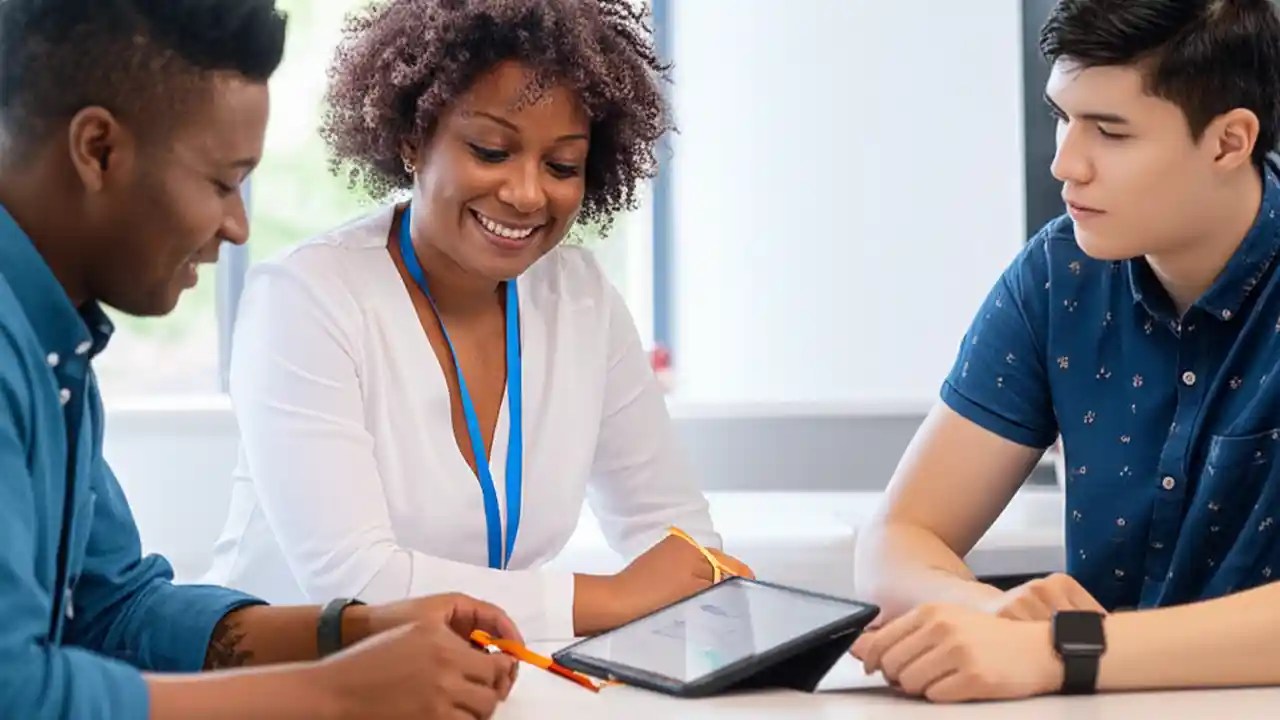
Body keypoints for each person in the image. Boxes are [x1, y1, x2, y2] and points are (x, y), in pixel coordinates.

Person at [0, 2, 522, 718]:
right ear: (97, 149)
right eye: (222, 183)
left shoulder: (54, 345)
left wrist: (353, 631)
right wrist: (340, 693)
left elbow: (114, 614)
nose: (237, 229)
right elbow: (16, 694)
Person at [203, 0, 751, 642]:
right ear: (413, 139)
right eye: (491, 150)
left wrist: (706, 601)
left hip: (486, 681)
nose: (526, 193)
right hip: (292, 689)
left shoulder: (582, 299)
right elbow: (357, 585)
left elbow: (677, 538)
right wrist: (617, 597)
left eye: (562, 166)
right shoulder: (305, 298)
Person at [851, 0, 1280, 704]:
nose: (1065, 164)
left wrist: (1063, 652)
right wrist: (990, 616)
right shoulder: (1058, 276)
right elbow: (899, 536)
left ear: (1229, 142)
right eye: (1062, 116)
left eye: (1110, 132)